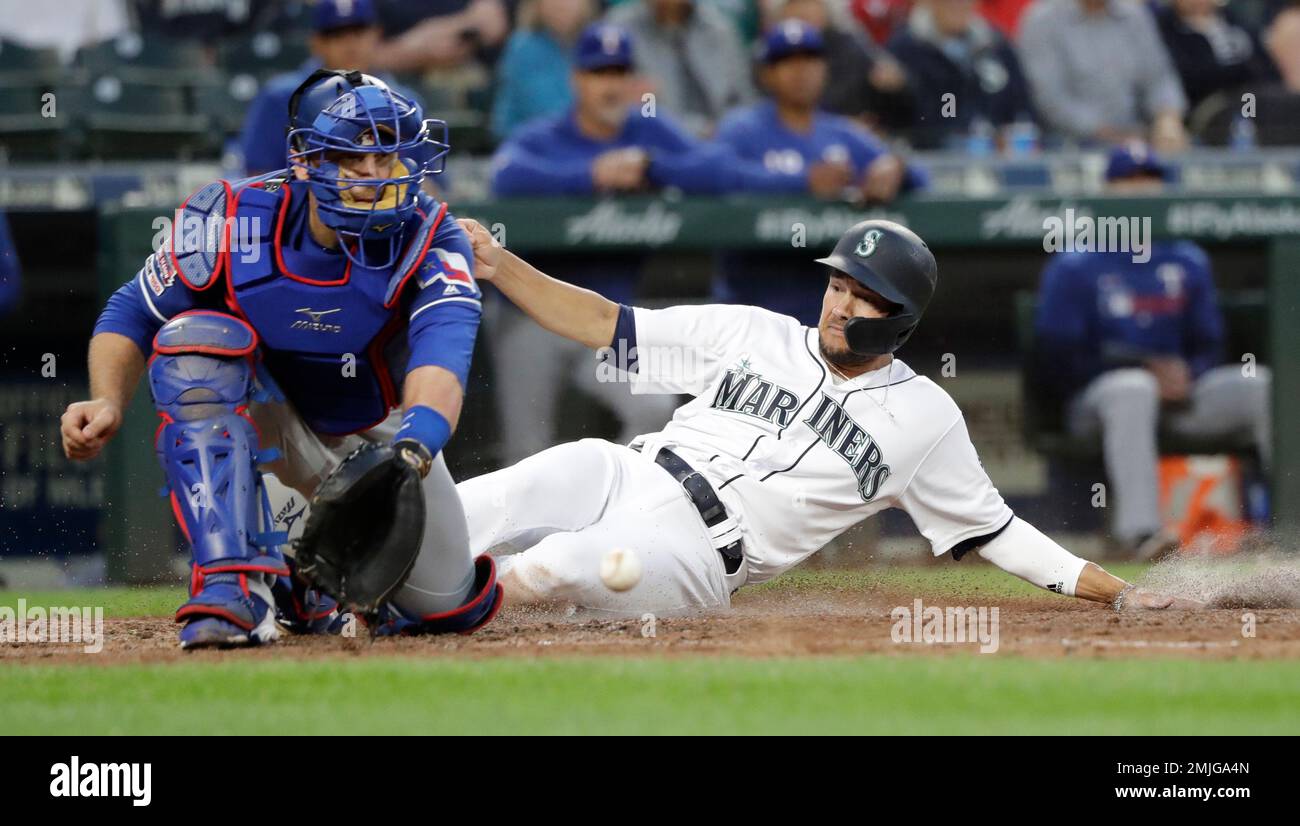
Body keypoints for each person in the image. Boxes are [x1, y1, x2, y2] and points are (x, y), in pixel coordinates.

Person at [449, 215, 1202, 614]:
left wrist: (1117, 590)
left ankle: (431, 617)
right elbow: (603, 323)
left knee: (553, 567)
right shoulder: (753, 330)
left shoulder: (924, 418)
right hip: (628, 468)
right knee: (493, 497)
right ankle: (339, 582)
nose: (840, 303)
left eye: (862, 294)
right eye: (838, 284)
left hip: (699, 551)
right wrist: (499, 265)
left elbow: (997, 532)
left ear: (898, 317)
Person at [61, 71, 501, 648]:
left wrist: (409, 454)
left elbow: (441, 362)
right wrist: (106, 399)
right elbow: (133, 311)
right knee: (195, 341)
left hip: (382, 437)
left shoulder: (434, 237)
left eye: (387, 155)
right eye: (350, 156)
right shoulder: (231, 219)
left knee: (443, 607)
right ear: (304, 158)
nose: (372, 176)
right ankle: (230, 583)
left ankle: (300, 578)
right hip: (271, 413)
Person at [488, 24, 793, 465]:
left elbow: (717, 169)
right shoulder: (547, 135)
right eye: (599, 73)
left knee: (654, 408)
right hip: (531, 313)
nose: (610, 85)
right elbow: (505, 175)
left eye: (619, 73)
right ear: (578, 80)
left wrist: (653, 167)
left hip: (606, 317)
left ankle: (604, 503)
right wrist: (592, 174)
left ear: (633, 81)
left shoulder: (647, 131)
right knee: (524, 449)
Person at [1033, 143, 1272, 559]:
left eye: (1151, 180)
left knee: (1263, 386)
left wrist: (1189, 372)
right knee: (1133, 387)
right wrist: (1139, 366)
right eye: (1129, 182)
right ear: (1108, 190)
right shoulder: (1075, 265)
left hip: (1181, 400)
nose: (1143, 190)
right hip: (1099, 402)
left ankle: (1286, 527)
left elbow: (1210, 342)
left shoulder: (1187, 258)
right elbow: (1058, 358)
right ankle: (1143, 534)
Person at [713, 20, 927, 324]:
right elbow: (714, 175)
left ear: (825, 68)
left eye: (810, 59)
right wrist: (803, 181)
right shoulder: (741, 128)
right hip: (749, 303)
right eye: (787, 60)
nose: (801, 70)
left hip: (826, 308)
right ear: (766, 73)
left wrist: (896, 170)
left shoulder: (840, 132)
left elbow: (920, 177)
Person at [239, 0, 422, 175]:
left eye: (358, 31)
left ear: (377, 35)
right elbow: (260, 175)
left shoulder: (403, 102)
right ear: (316, 43)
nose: (350, 45)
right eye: (337, 34)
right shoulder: (281, 97)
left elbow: (423, 176)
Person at [1018, 0, 1189, 153]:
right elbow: (1050, 99)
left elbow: (1159, 76)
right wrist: (1112, 134)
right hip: (1071, 145)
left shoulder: (1134, 15)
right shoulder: (1042, 19)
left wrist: (1168, 118)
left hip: (1138, 139)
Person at [887, 0, 1035, 149]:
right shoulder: (905, 49)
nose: (958, 4)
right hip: (934, 158)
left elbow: (1022, 107)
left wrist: (1009, 134)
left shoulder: (997, 46)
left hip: (999, 158)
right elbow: (904, 117)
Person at [604, 0, 755, 136]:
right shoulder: (619, 31)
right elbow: (641, 108)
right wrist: (698, 130)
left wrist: (731, 131)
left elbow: (744, 97)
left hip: (723, 142)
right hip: (660, 143)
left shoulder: (719, 28)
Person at [769, 0, 913, 134]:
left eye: (810, 3)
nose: (804, 11)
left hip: (852, 136)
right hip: (787, 135)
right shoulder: (770, 51)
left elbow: (891, 103)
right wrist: (838, 126)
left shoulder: (850, 47)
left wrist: (894, 89)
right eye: (797, 3)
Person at [490, 0, 598, 140]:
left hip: (579, 142)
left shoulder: (593, 43)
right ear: (536, 5)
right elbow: (547, 113)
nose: (561, 4)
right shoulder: (523, 47)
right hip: (526, 147)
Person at [1155, 0, 1277, 113]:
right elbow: (1192, 76)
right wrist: (1243, 70)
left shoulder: (1231, 18)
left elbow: (1264, 61)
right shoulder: (1166, 27)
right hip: (1209, 108)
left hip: (1255, 96)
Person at [370, 0, 510, 72]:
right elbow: (359, 55)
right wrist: (415, 51)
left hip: (477, 72)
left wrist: (447, 28)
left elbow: (493, 24)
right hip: (401, 81)